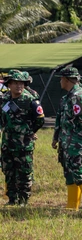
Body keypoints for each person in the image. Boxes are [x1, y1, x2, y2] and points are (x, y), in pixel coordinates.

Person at [53, 66, 82, 210]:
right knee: (70, 173)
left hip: (77, 142)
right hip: (67, 141)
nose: (60, 81)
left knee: (80, 172)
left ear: (67, 80)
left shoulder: (78, 97)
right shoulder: (67, 98)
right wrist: (56, 138)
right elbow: (59, 119)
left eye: (61, 79)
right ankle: (72, 206)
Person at [1, 70, 45, 205]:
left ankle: (23, 200)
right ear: (9, 84)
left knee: (24, 171)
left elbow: (40, 119)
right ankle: (12, 199)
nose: (18, 86)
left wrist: (30, 131)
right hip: (7, 142)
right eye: (15, 83)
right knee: (8, 171)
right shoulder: (4, 99)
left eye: (21, 83)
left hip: (23, 144)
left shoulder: (30, 100)